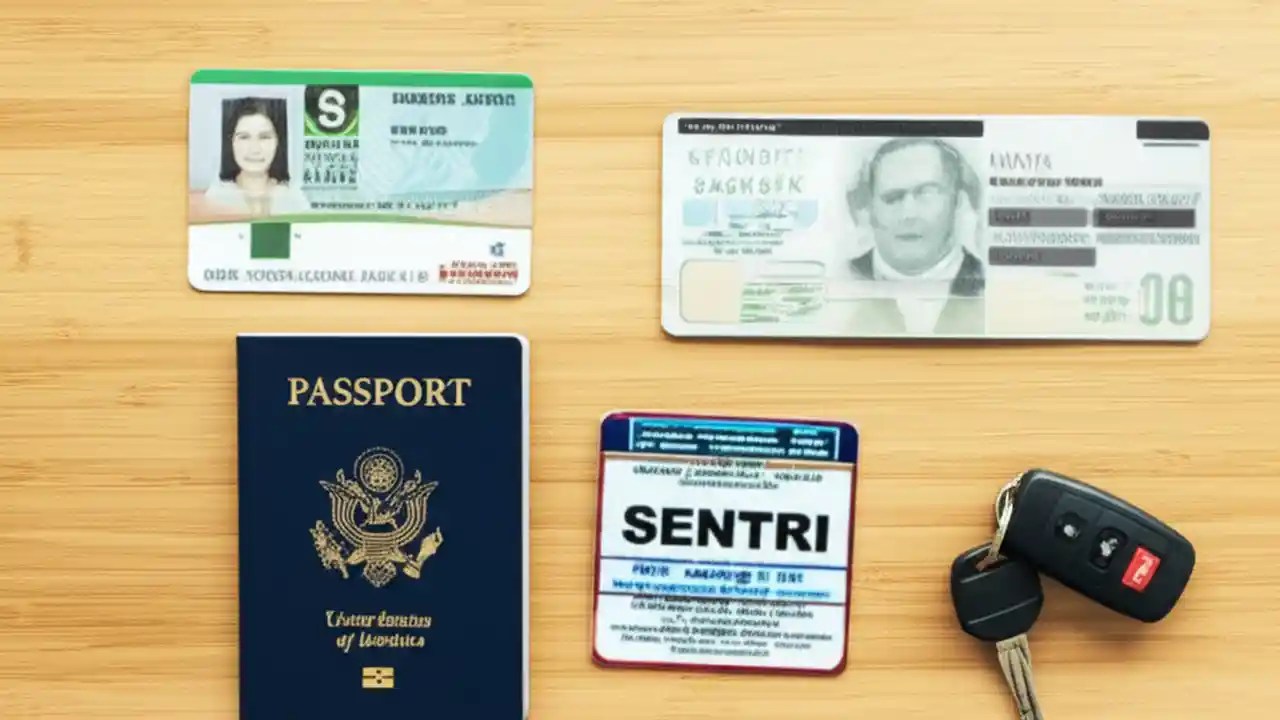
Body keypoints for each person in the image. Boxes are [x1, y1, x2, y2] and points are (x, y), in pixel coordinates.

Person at [842, 137, 985, 335]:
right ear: (870, 208)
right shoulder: (841, 277)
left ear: (958, 201)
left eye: (926, 194)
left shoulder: (992, 283)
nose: (908, 214)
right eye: (892, 198)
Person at [203, 97, 310, 217]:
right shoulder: (215, 198)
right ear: (231, 141)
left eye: (264, 137)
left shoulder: (295, 200)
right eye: (244, 137)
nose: (254, 149)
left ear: (279, 141)